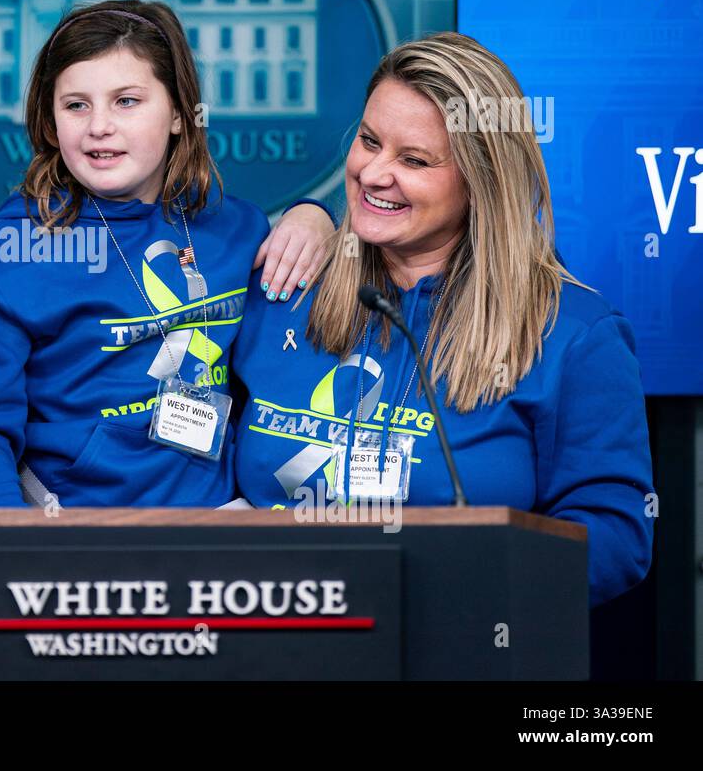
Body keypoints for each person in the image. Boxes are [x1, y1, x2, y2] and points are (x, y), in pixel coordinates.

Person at [230, 32, 654, 605]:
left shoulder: (574, 336)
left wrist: (451, 586)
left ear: (480, 180)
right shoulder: (286, 286)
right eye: (368, 141)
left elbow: (616, 537)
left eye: (414, 160)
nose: (375, 173)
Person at [0, 0, 335, 508]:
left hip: (221, 530)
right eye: (76, 105)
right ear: (51, 125)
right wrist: (10, 550)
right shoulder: (3, 260)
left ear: (178, 115)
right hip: (81, 536)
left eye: (126, 101)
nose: (99, 125)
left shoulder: (238, 230)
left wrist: (314, 215)